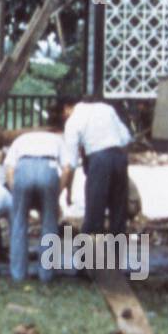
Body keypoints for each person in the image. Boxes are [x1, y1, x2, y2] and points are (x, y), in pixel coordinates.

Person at [58, 97, 132, 235]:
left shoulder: (73, 121)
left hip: (99, 160)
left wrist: (67, 191)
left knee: (95, 209)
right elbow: (126, 137)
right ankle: (115, 253)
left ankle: (90, 252)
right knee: (118, 211)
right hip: (119, 157)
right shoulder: (106, 108)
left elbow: (70, 163)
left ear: (66, 108)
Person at [4, 126, 64, 282]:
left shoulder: (20, 140)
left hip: (23, 169)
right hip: (48, 168)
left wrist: (15, 191)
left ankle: (18, 274)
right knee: (49, 224)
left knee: (18, 223)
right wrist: (59, 192)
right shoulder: (57, 139)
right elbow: (68, 168)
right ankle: (46, 274)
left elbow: (9, 169)